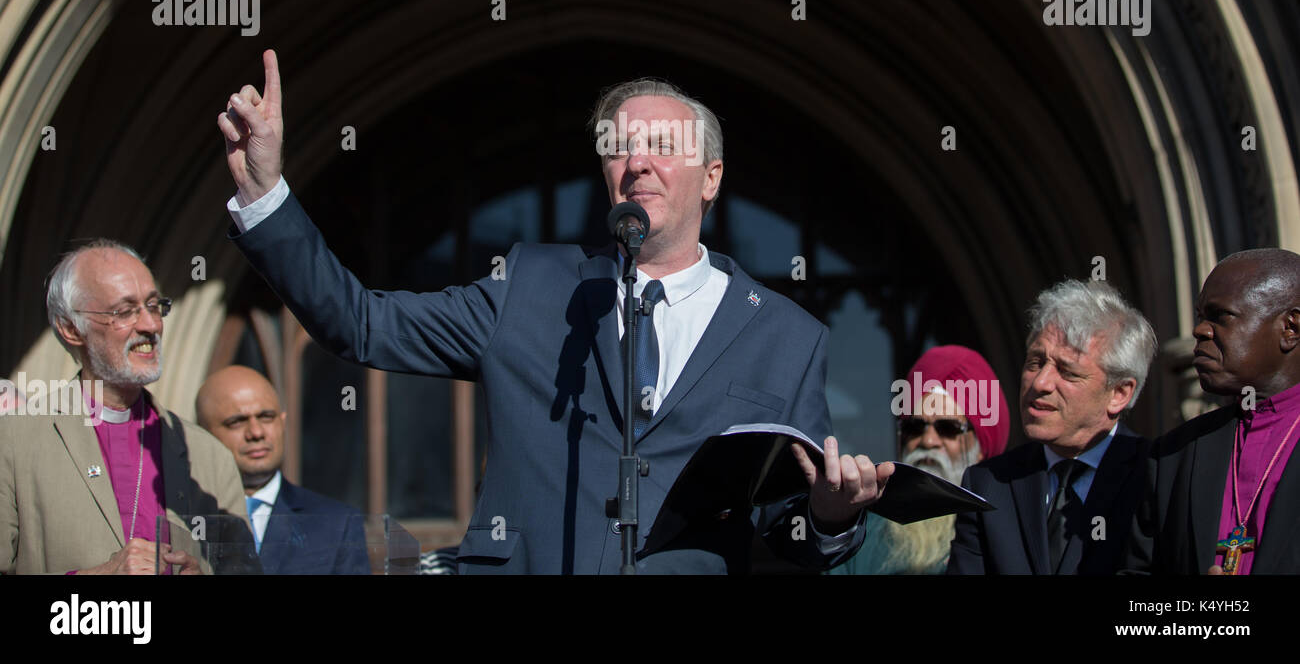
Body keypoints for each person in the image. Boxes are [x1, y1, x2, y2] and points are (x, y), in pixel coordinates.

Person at [216, 50, 891, 573]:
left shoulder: (786, 337)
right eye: (619, 147)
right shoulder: (531, 285)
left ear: (710, 177)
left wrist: (831, 516)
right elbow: (360, 322)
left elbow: (789, 532)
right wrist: (266, 193)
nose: (637, 165)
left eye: (662, 149)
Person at [0, 241, 248, 574]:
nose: (151, 325)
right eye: (125, 311)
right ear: (72, 329)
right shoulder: (14, 441)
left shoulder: (208, 457)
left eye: (153, 305)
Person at [948, 279, 1155, 574]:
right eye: (1035, 362)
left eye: (1067, 371)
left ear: (1119, 393)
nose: (1040, 383)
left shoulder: (1154, 477)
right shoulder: (988, 485)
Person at [1125, 248, 1300, 574]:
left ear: (1290, 328)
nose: (1200, 331)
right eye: (1201, 316)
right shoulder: (1173, 454)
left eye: (1221, 317)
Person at [830, 345, 1008, 574]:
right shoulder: (861, 537)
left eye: (948, 428)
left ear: (980, 447)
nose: (929, 440)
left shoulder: (1006, 535)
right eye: (915, 427)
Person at [196, 365, 371, 574]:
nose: (256, 432)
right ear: (202, 434)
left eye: (266, 417)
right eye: (237, 422)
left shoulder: (336, 524)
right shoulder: (183, 519)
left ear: (283, 422)